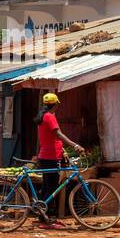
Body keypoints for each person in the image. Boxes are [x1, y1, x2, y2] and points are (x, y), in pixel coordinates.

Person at [34, 92, 85, 228]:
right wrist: (74, 145)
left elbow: (51, 137)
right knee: (51, 189)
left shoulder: (43, 117)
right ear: (55, 104)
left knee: (48, 188)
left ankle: (46, 217)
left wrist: (63, 150)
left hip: (47, 155)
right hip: (50, 157)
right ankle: (46, 220)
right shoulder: (49, 117)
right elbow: (57, 133)